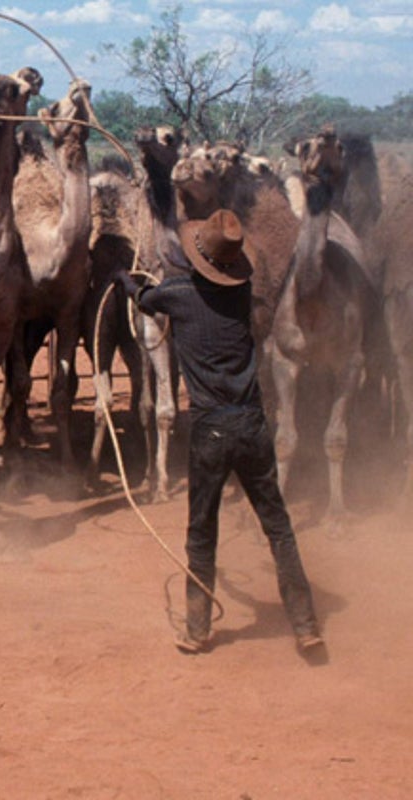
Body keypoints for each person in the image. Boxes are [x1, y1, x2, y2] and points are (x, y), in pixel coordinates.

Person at [119, 209, 324, 655]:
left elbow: (144, 298)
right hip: (251, 422)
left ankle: (197, 629)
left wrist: (123, 280)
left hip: (211, 428)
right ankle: (306, 624)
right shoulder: (242, 293)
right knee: (278, 527)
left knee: (201, 531)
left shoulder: (177, 294)